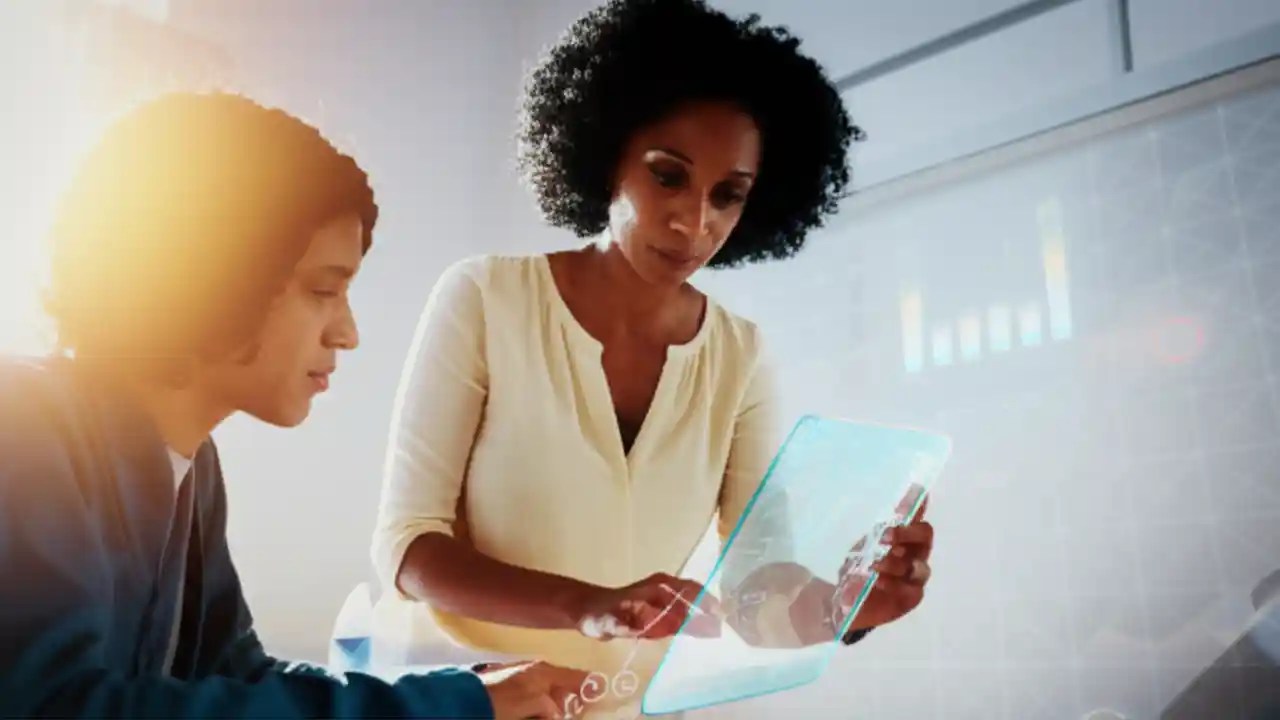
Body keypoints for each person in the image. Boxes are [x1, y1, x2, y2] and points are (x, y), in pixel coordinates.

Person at [372, 0, 935, 716]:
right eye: (668, 177)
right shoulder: (486, 298)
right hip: (477, 702)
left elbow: (754, 589)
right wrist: (586, 606)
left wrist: (842, 608)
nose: (695, 223)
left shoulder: (739, 354)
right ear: (605, 153)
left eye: (728, 196)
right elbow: (408, 548)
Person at [0, 91, 586, 719]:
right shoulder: (27, 425)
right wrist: (445, 707)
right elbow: (56, 707)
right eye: (323, 290)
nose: (347, 334)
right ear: (218, 274)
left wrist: (470, 691)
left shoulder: (193, 468)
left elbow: (237, 675)